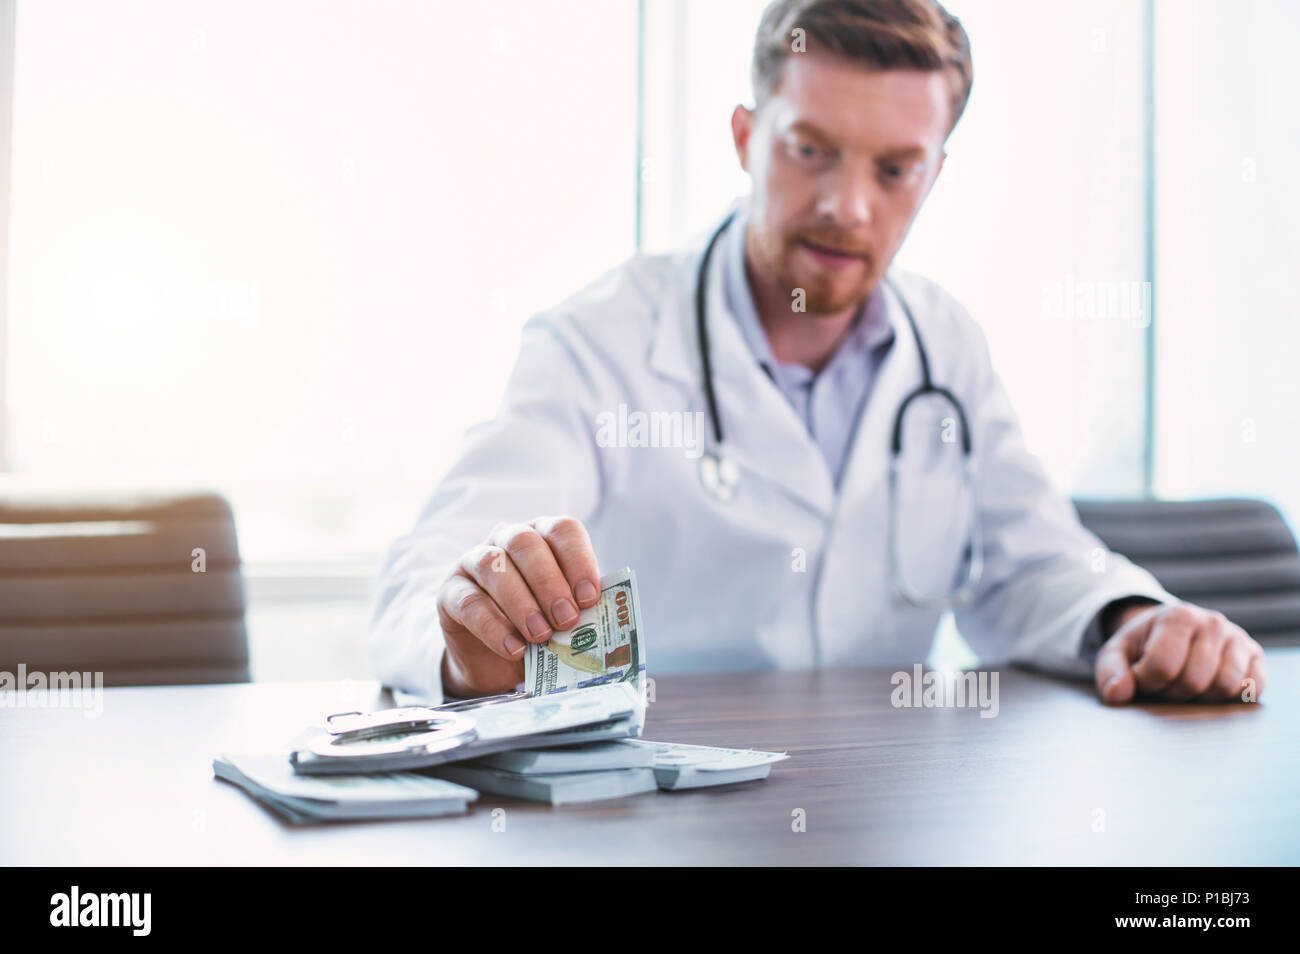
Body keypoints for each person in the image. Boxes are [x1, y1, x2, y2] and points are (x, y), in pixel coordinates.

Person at [369, 0, 1267, 707]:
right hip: (654, 812)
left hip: (881, 803)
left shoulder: (945, 344)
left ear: (936, 174)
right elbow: (431, 574)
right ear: (747, 139)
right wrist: (468, 635)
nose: (849, 205)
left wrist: (1133, 621)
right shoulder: (600, 341)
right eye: (811, 150)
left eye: (894, 169)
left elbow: (1032, 565)